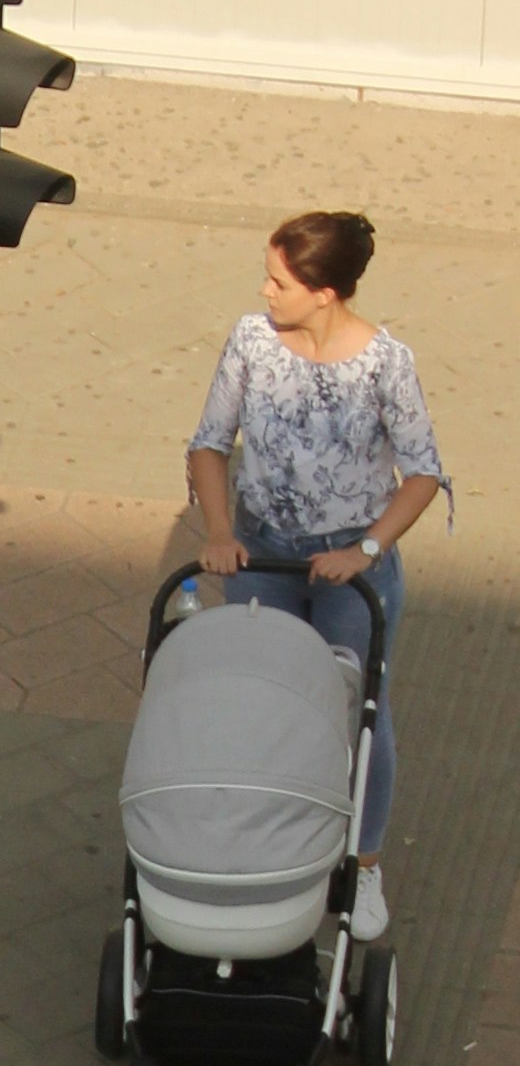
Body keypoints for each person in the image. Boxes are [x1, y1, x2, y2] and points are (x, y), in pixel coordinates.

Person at [184, 209, 446, 939]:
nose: (265, 292)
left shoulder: (385, 363)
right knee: (259, 702)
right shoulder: (250, 343)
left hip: (348, 568)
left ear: (325, 293)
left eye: (280, 281)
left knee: (362, 711)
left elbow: (422, 474)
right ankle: (264, 847)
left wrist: (364, 549)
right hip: (262, 555)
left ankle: (362, 867)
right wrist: (219, 532)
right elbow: (209, 445)